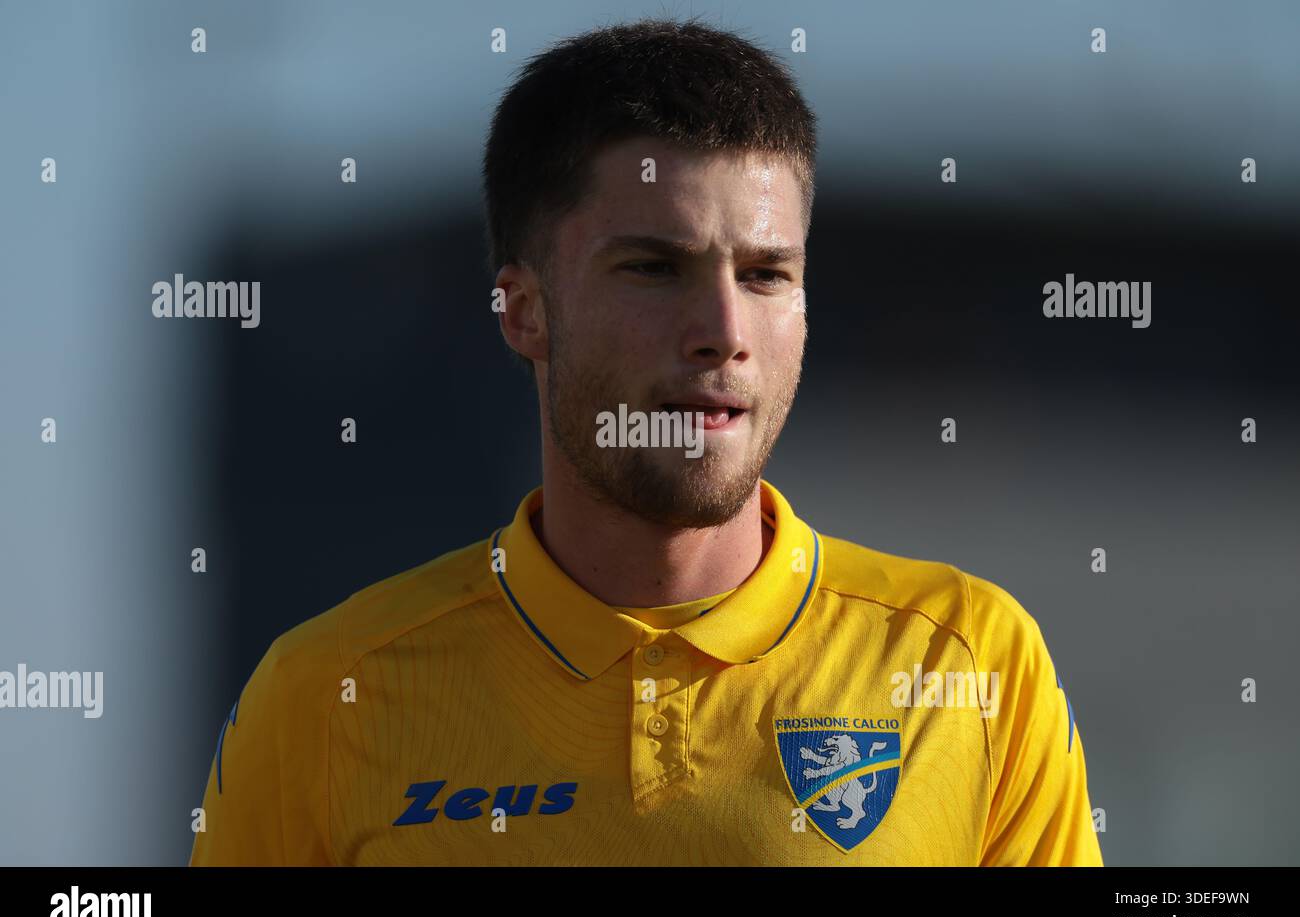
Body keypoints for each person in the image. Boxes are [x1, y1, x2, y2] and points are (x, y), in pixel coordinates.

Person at [190, 17, 1102, 865]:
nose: (724, 332)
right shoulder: (324, 694)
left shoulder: (969, 662)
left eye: (766, 274)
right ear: (523, 310)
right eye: (655, 269)